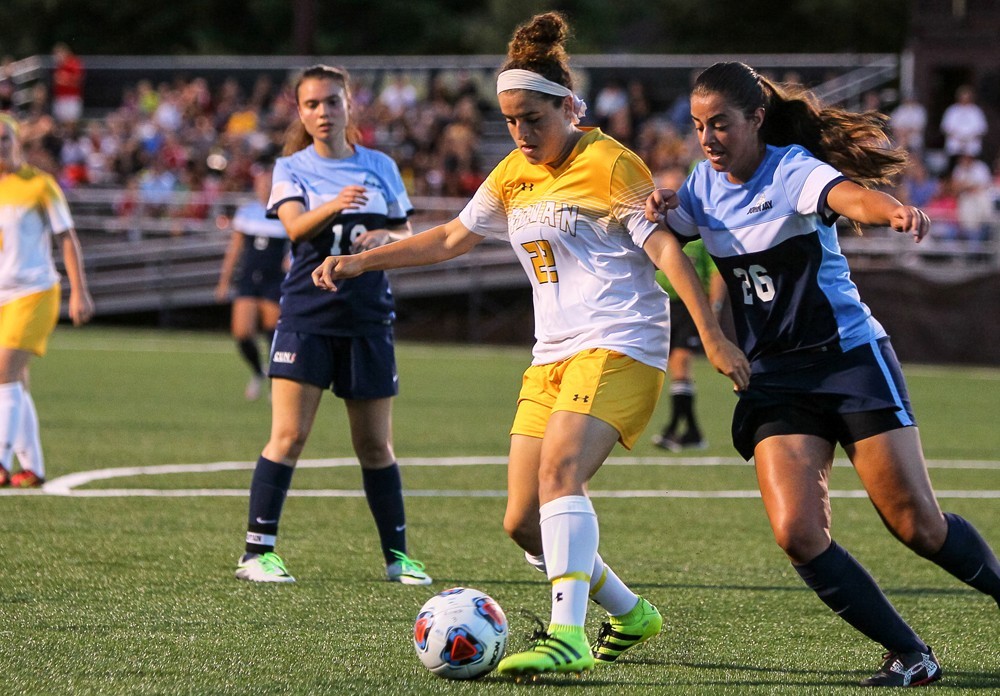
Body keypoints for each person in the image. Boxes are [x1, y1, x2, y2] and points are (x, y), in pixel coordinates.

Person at [314, 13, 749, 676]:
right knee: (522, 521)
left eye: (532, 119)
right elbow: (451, 238)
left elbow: (667, 249)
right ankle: (631, 613)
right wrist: (359, 262)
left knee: (559, 476)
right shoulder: (513, 172)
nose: (520, 132)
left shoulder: (611, 163)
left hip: (621, 344)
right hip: (551, 357)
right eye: (510, 119)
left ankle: (569, 636)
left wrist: (713, 336)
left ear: (567, 108)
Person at [645, 61, 1000, 688]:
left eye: (720, 125)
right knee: (797, 532)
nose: (707, 139)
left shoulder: (792, 170)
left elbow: (847, 196)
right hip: (776, 378)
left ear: (756, 118)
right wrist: (658, 202)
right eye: (699, 127)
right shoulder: (701, 187)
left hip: (848, 361)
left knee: (917, 524)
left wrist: (889, 209)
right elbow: (663, 232)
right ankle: (911, 654)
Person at [234, 65, 432, 587]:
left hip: (368, 316)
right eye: (312, 105)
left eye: (332, 102)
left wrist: (382, 238)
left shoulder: (381, 165)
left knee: (374, 445)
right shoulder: (291, 167)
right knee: (289, 435)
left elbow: (406, 228)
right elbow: (295, 226)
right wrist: (335, 204)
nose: (323, 113)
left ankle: (398, 557)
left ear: (349, 105)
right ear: (300, 112)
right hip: (308, 315)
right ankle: (258, 552)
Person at [0, 113, 94, 488]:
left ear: (19, 141)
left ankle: (1, 462)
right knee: (16, 380)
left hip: (35, 291)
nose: (0, 145)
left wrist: (79, 290)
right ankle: (33, 466)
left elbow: (67, 237)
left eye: (5, 138)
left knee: (4, 371)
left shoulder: (40, 185)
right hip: (3, 296)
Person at [650, 167, 727, 452]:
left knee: (681, 362)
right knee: (674, 367)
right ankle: (692, 430)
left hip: (688, 304)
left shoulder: (698, 232)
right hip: (661, 304)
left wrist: (713, 308)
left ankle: (673, 429)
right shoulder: (654, 228)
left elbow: (717, 273)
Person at [215, 162, 289, 401]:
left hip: (274, 279)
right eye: (261, 185)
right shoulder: (247, 212)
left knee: (273, 331)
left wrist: (292, 259)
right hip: (249, 277)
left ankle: (275, 382)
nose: (264, 189)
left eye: (269, 185)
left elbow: (299, 244)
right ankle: (259, 371)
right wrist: (224, 281)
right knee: (242, 331)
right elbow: (234, 248)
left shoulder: (287, 213)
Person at [940, 85, 988, 159]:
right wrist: (959, 138)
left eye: (967, 97)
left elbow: (982, 129)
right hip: (955, 148)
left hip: (971, 149)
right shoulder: (952, 110)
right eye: (962, 97)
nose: (964, 99)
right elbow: (945, 128)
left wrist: (968, 139)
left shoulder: (976, 111)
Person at [50, 43, 84, 125]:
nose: (57, 56)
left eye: (58, 54)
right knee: (60, 123)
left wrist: (64, 80)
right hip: (60, 97)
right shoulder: (58, 66)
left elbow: (78, 80)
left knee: (72, 122)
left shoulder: (74, 63)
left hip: (71, 97)